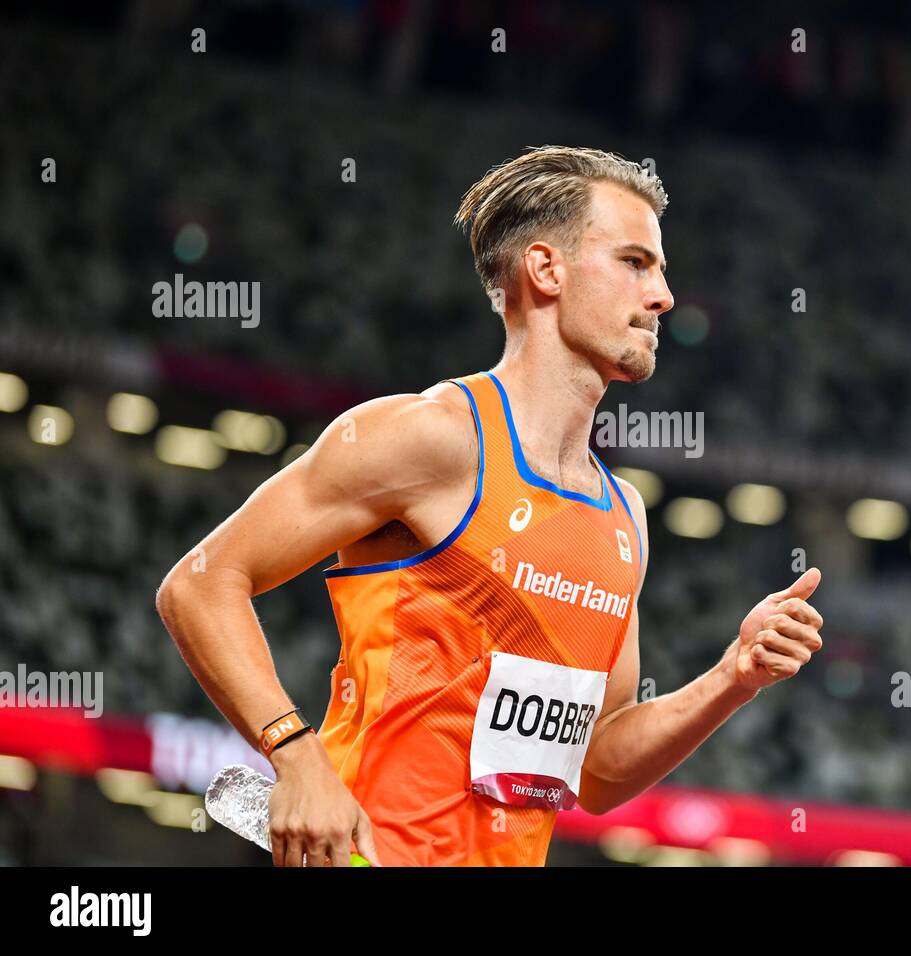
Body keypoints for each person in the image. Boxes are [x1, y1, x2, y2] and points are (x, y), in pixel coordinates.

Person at [155, 146, 825, 866]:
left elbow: (595, 770)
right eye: (636, 262)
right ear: (546, 269)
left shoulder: (622, 515)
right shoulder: (431, 438)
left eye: (659, 269)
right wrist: (294, 755)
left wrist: (732, 678)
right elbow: (199, 585)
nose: (663, 295)